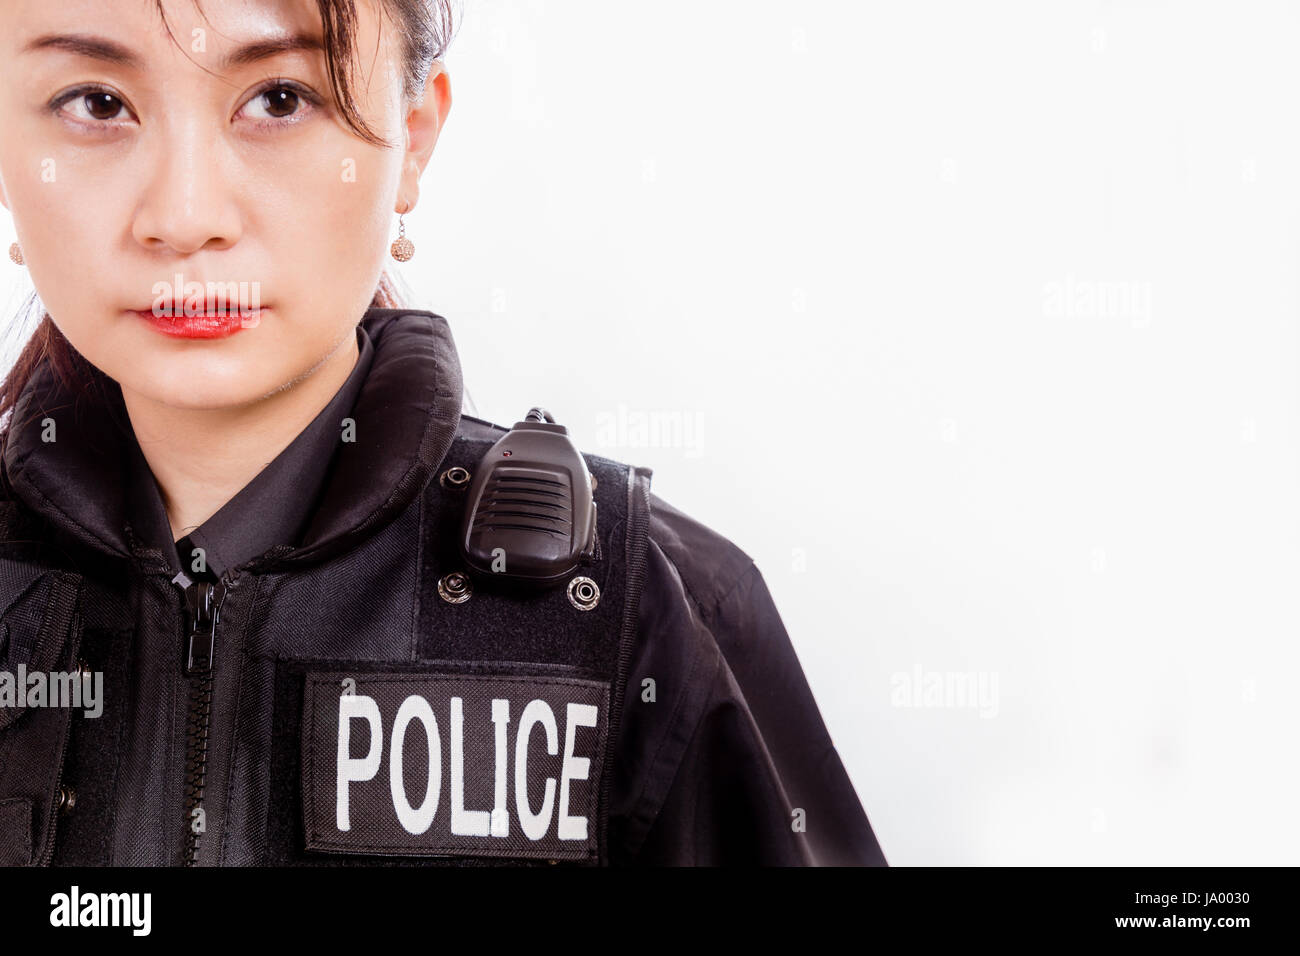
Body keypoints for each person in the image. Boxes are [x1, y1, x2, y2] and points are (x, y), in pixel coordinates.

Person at [0, 0, 887, 867]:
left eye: (280, 98)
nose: (185, 216)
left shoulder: (644, 607)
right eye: (97, 103)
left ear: (414, 135)